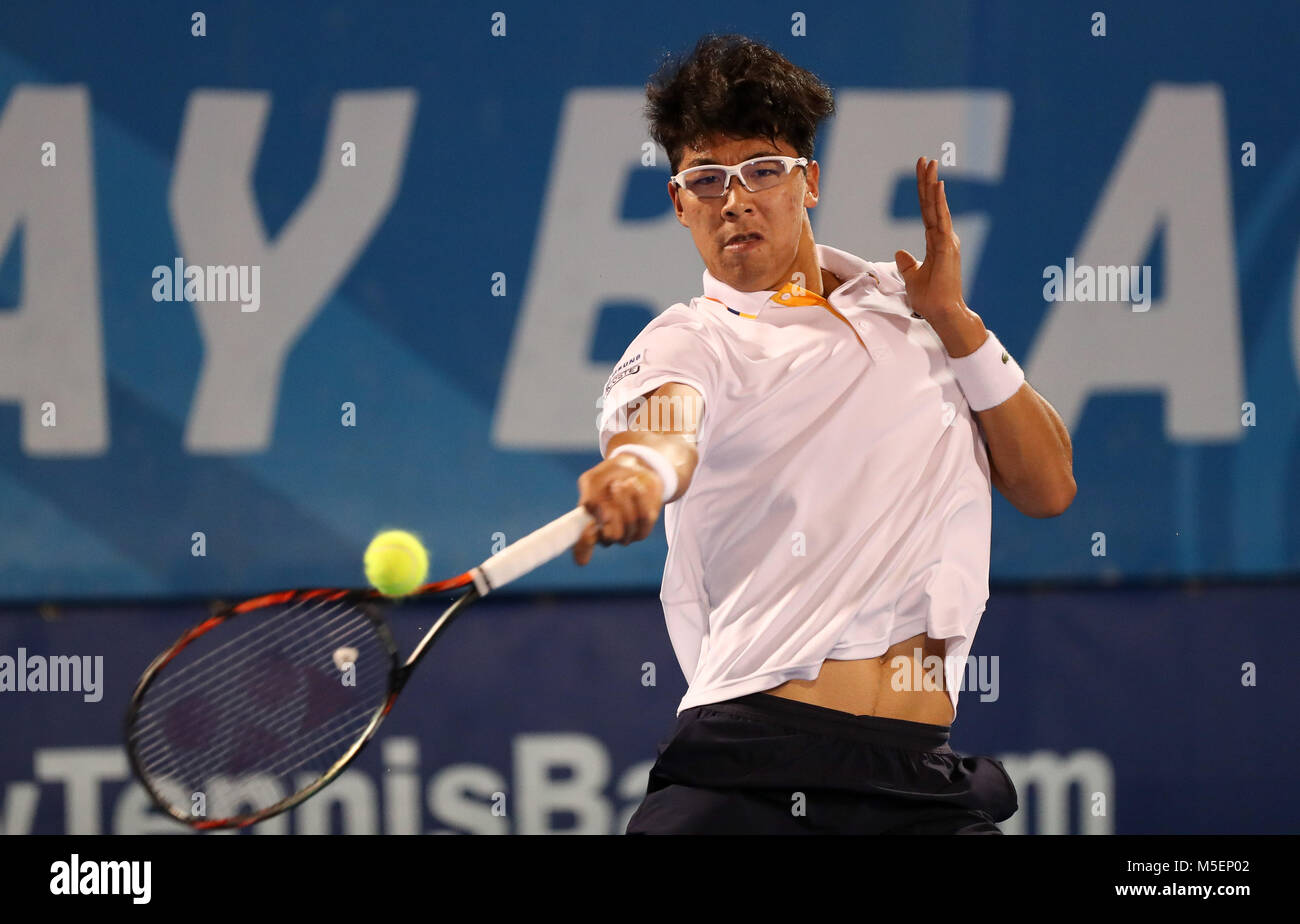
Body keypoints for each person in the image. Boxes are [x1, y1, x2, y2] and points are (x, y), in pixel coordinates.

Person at [573, 34, 1075, 834]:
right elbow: (665, 427)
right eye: (707, 179)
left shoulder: (916, 308)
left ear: (808, 181)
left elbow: (1049, 488)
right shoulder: (690, 338)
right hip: (751, 773)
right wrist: (639, 472)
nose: (734, 200)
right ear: (678, 202)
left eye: (761, 170)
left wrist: (956, 321)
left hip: (918, 780)